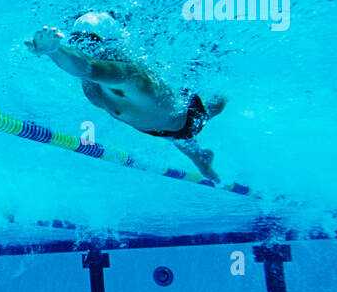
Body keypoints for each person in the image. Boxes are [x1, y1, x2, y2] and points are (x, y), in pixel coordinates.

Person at [26, 17, 227, 181]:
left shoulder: (131, 76)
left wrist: (55, 51)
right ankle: (203, 162)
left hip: (186, 117)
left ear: (111, 43)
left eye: (92, 41)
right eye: (78, 40)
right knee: (180, 141)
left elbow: (89, 67)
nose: (85, 47)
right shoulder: (93, 83)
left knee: (217, 103)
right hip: (157, 126)